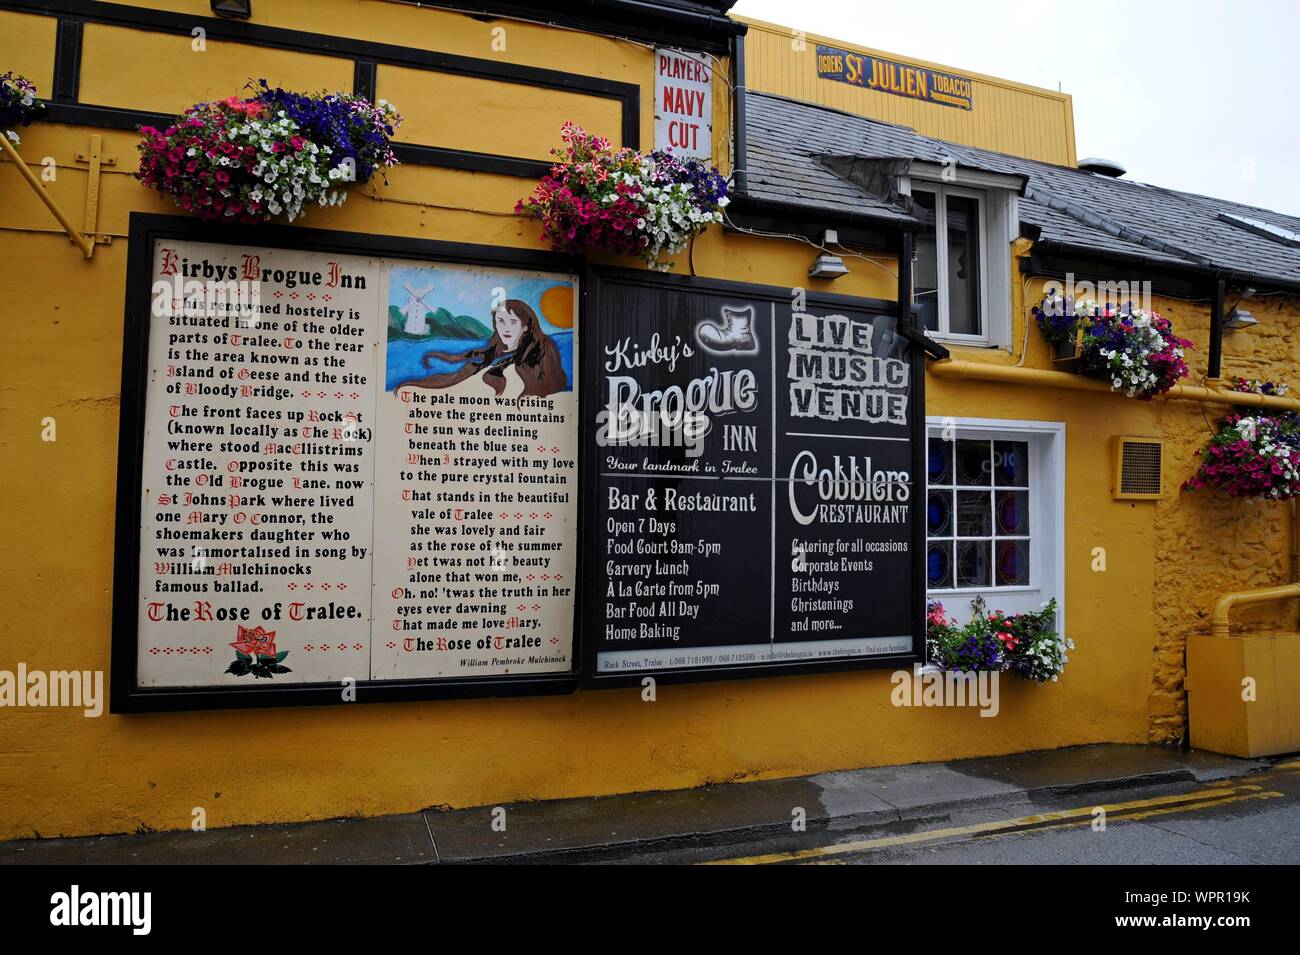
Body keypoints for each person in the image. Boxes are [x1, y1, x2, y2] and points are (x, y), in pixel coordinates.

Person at [397, 298, 568, 398]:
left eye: (513, 322)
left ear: (525, 326)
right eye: (500, 322)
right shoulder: (492, 354)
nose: (506, 328)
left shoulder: (534, 356)